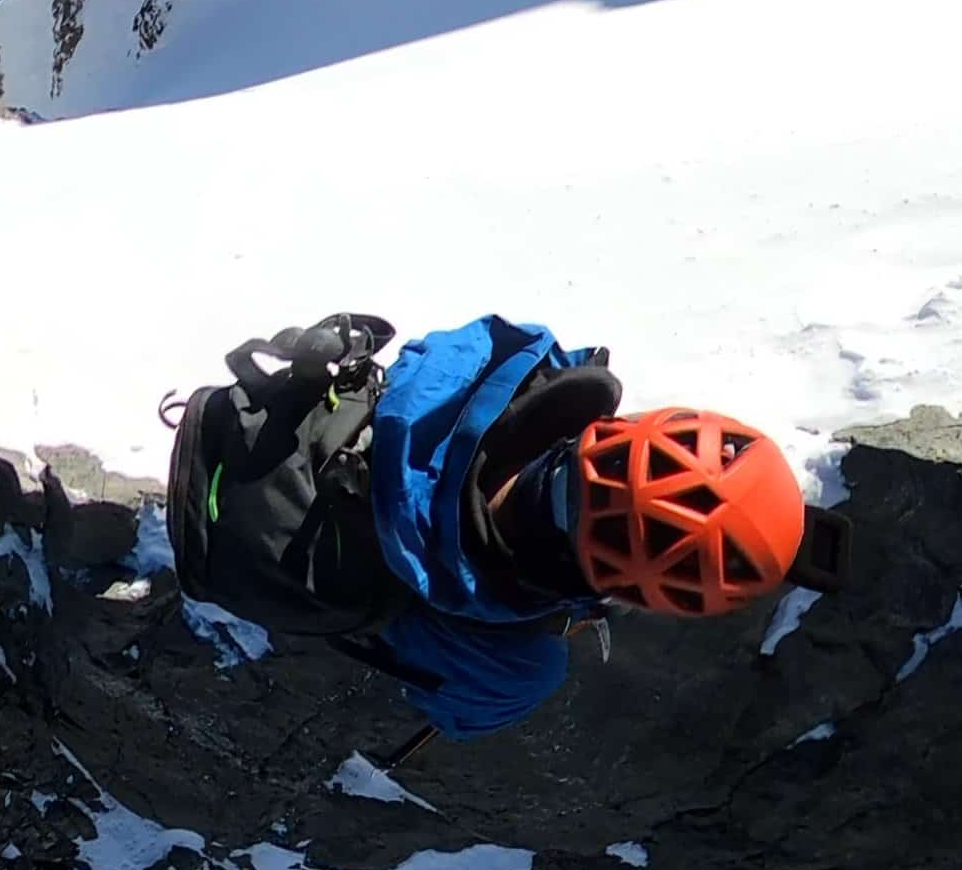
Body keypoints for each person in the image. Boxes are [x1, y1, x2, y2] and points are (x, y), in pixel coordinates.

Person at [161, 314, 847, 738]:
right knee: (519, 676)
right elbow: (459, 714)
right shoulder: (500, 620)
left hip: (318, 429)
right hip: (346, 561)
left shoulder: (512, 367)